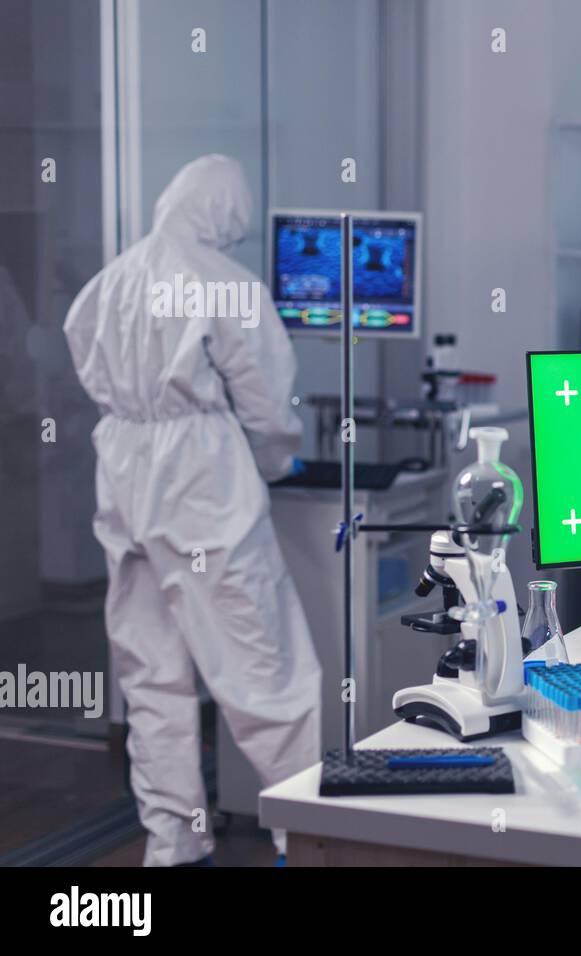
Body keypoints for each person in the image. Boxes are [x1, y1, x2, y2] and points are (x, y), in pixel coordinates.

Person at [64, 154, 321, 866]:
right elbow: (269, 404)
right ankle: (300, 838)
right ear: (224, 214)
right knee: (264, 669)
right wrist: (275, 462)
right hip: (201, 481)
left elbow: (88, 367)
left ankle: (173, 843)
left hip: (122, 473)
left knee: (152, 672)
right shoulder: (226, 283)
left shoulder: (104, 286)